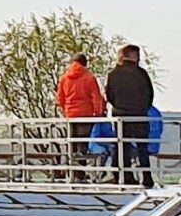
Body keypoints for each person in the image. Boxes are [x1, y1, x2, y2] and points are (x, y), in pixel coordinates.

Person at [104, 44, 157, 187]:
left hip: (121, 116)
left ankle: (123, 175)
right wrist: (142, 108)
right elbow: (150, 94)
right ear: (134, 56)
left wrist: (119, 107)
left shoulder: (113, 74)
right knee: (142, 148)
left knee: (122, 147)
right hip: (140, 115)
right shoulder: (142, 74)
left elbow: (110, 96)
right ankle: (146, 176)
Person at [56, 53, 106, 177]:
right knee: (83, 145)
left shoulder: (64, 79)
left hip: (70, 117)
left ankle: (74, 173)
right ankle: (81, 173)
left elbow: (60, 99)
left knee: (71, 145)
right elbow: (96, 98)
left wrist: (66, 111)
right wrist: (98, 114)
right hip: (86, 115)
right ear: (85, 64)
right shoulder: (89, 78)